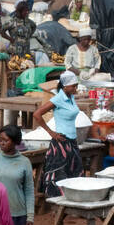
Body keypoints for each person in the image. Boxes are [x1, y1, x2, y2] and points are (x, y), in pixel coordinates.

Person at [33, 70, 84, 199]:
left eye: (76, 85)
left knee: (74, 171)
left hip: (72, 141)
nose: (75, 88)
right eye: (73, 86)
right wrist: (51, 133)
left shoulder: (71, 97)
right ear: (65, 86)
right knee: (59, 175)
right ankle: (56, 203)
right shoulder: (57, 99)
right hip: (61, 142)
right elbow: (37, 114)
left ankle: (71, 199)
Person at [0, 124, 35, 225]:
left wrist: (30, 216)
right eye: (0, 140)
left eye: (5, 140)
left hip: (18, 215)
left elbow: (29, 190)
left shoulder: (24, 162)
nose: (1, 143)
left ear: (15, 141)